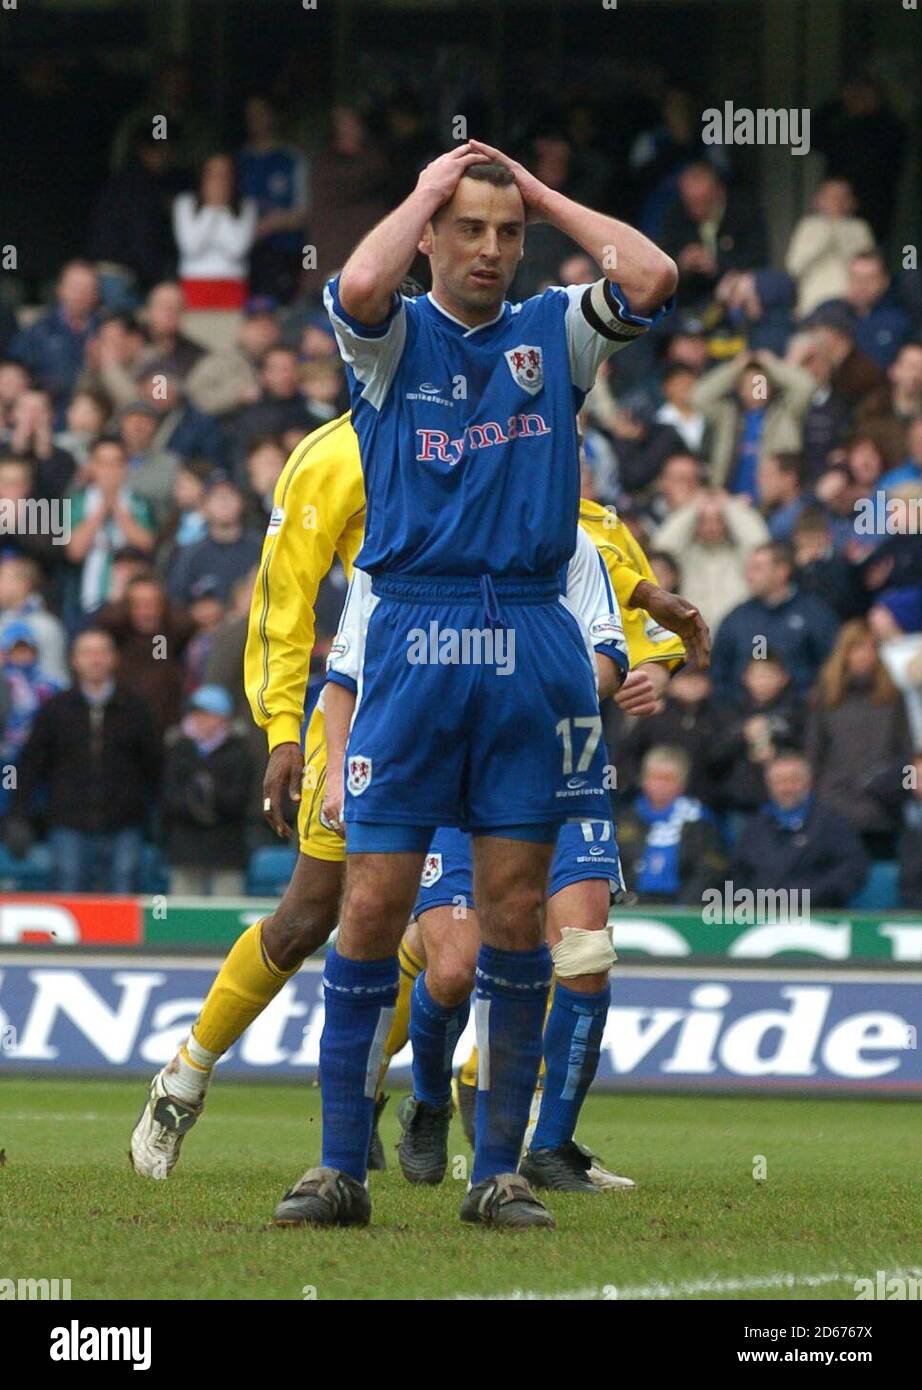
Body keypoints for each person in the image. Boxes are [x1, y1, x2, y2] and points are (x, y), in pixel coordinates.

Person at [7, 628, 161, 893]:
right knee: (69, 893)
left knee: (124, 897)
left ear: (114, 659)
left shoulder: (136, 709)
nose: (95, 659)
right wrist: (18, 816)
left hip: (124, 824)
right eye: (87, 653)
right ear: (74, 660)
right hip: (69, 824)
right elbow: (31, 766)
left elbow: (155, 767)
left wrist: (158, 816)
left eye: (102, 652)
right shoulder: (55, 709)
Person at [805, 619, 912, 856]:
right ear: (845, 652)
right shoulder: (826, 696)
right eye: (858, 648)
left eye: (873, 647)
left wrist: (891, 788)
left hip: (882, 808)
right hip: (835, 806)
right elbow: (814, 752)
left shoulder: (891, 696)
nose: (866, 655)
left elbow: (905, 751)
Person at [731, 750, 868, 908]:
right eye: (779, 781)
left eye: (793, 780)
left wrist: (809, 895)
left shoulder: (832, 823)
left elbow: (852, 869)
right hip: (761, 917)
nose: (786, 788)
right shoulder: (755, 827)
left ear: (807, 782)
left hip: (816, 916)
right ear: (769, 785)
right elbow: (738, 873)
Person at [710, 541, 840, 702]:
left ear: (782, 572)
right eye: (748, 568)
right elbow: (718, 672)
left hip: (801, 715)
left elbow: (832, 665)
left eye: (757, 568)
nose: (749, 576)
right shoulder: (736, 618)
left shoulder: (814, 613)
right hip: (742, 718)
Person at [162, 684, 252, 896]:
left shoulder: (239, 753)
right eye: (196, 714)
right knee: (184, 916)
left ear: (223, 719)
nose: (199, 720)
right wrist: (195, 805)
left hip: (226, 851)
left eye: (206, 714)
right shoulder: (179, 750)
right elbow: (169, 797)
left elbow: (238, 800)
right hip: (186, 850)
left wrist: (209, 800)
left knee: (226, 913)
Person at [690, 349, 815, 494]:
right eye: (750, 383)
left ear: (770, 387)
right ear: (740, 389)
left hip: (772, 498)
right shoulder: (726, 415)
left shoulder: (786, 413)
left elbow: (807, 386)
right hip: (728, 497)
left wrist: (771, 364)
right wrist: (735, 368)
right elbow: (698, 397)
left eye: (760, 382)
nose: (756, 388)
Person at [616, 746, 728, 904]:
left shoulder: (700, 821)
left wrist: (683, 907)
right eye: (654, 777)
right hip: (630, 906)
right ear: (643, 779)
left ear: (682, 782)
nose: (660, 784)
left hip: (681, 908)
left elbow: (709, 871)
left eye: (668, 778)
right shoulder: (627, 818)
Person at [652, 486, 769, 631]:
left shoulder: (740, 555)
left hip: (735, 635)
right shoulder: (686, 555)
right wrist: (693, 507)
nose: (711, 526)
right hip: (694, 637)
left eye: (717, 520)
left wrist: (730, 507)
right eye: (704, 520)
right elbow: (662, 549)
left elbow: (759, 543)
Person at [65, 438, 156, 616]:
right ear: (92, 466)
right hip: (87, 595)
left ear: (125, 467)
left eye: (115, 463)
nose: (109, 471)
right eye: (103, 463)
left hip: (130, 599)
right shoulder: (76, 501)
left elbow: (146, 545)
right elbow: (75, 551)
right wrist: (101, 508)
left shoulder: (139, 502)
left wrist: (115, 504)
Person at [708, 652, 804, 813]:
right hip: (740, 801)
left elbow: (806, 748)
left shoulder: (796, 712)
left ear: (783, 678)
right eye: (758, 675)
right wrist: (742, 735)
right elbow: (715, 755)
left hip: (786, 801)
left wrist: (779, 753)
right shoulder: (730, 712)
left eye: (769, 675)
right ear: (745, 678)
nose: (763, 682)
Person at [238, 95, 310, 304]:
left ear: (273, 116)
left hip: (284, 253)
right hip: (245, 256)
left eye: (261, 113)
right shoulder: (240, 159)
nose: (255, 119)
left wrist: (270, 224)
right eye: (250, 115)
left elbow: (305, 212)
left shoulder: (291, 159)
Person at [9, 262, 99, 421]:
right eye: (75, 288)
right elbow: (16, 370)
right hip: (44, 412)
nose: (80, 295)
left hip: (91, 415)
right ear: (60, 289)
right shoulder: (38, 331)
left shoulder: (105, 331)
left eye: (87, 289)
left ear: (95, 295)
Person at [172, 154, 258, 311]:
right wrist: (210, 209)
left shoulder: (246, 205)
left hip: (233, 284)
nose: (219, 181)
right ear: (202, 177)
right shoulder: (185, 203)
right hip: (194, 283)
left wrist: (222, 210)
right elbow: (190, 248)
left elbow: (237, 250)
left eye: (225, 175)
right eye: (213, 175)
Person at [165, 473, 263, 606]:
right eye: (216, 497)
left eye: (229, 495)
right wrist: (194, 613)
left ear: (242, 503)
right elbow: (175, 600)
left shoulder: (261, 546)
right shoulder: (190, 555)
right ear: (204, 507)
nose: (223, 502)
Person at [784, 179, 874, 320]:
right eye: (831, 197)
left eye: (843, 197)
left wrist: (839, 234)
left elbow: (868, 268)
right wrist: (822, 240)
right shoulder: (808, 226)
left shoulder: (859, 228)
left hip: (850, 303)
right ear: (819, 200)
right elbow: (794, 268)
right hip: (813, 302)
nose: (837, 201)